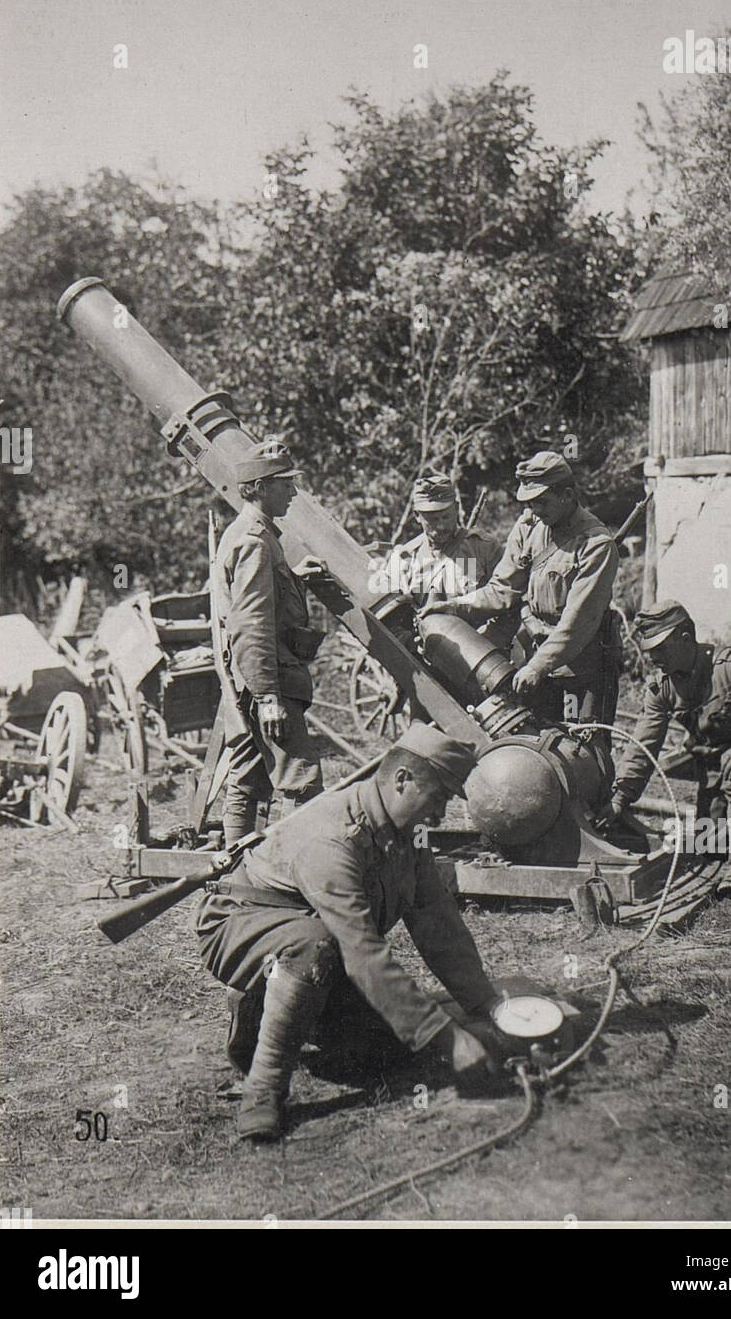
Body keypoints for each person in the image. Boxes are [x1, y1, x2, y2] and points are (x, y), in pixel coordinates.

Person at [196, 722, 502, 1141]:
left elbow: (436, 921)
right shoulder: (332, 838)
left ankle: (288, 1002)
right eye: (438, 797)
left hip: (321, 935)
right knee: (312, 946)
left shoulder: (408, 834)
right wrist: (452, 1040)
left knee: (386, 1052)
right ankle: (262, 1087)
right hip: (242, 923)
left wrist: (484, 1004)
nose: (440, 814)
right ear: (401, 780)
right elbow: (361, 949)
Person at [600, 600, 731, 899]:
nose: (653, 657)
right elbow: (645, 743)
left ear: (684, 638)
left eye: (660, 648)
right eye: (650, 649)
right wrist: (620, 797)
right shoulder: (662, 687)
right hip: (714, 773)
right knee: (709, 847)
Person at [420, 451, 620, 735]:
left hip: (582, 670)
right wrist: (454, 606)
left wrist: (537, 667)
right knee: (535, 745)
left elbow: (578, 623)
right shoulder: (529, 529)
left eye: (542, 501)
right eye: (529, 502)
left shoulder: (596, 545)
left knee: (582, 753)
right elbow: (503, 589)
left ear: (567, 494)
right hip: (536, 661)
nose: (534, 509)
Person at [213, 440, 327, 846]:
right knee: (303, 783)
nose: (293, 492)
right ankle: (305, 878)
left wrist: (294, 579)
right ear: (260, 487)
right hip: (270, 679)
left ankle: (232, 876)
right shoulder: (254, 542)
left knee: (248, 778)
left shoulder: (255, 536)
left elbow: (262, 603)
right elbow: (252, 623)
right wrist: (268, 697)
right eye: (285, 484)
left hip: (255, 680)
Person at [385, 473, 503, 609]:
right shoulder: (403, 559)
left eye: (446, 517)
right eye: (432, 520)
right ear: (417, 516)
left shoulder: (484, 548)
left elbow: (504, 599)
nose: (441, 526)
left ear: (457, 508)